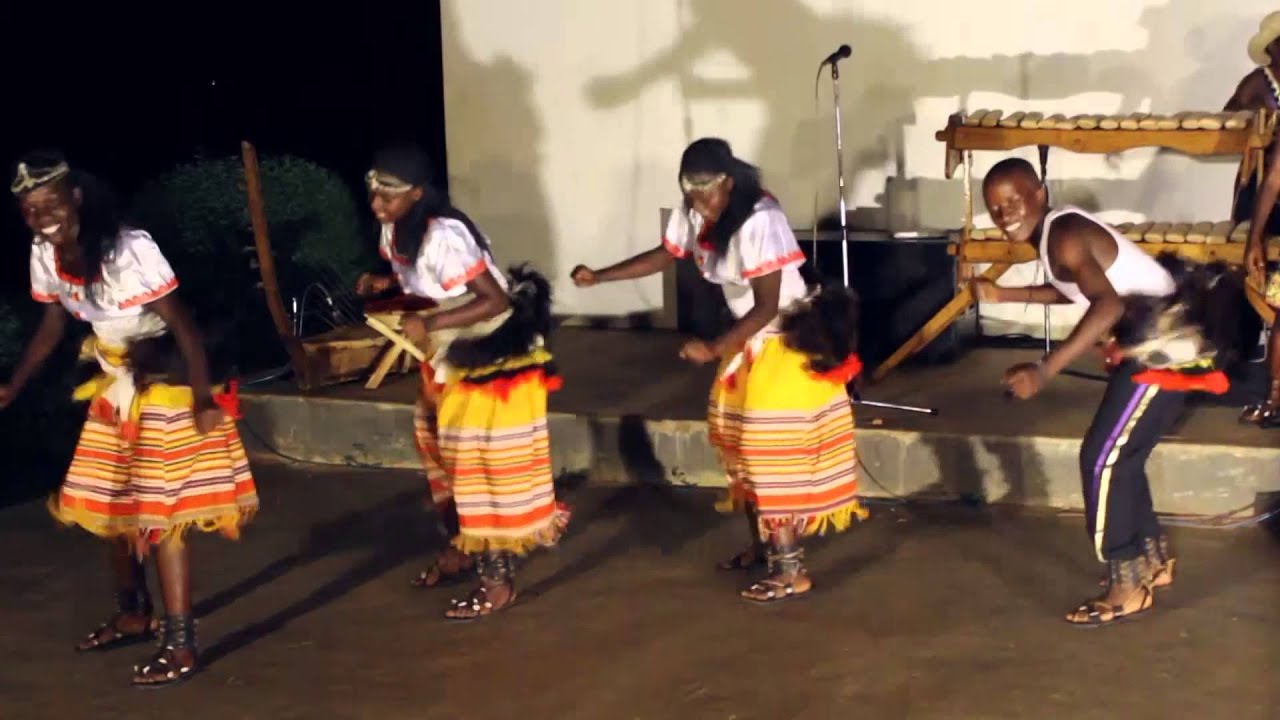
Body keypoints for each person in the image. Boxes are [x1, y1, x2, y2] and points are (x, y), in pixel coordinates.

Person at [571, 138, 865, 603]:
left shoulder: (760, 217)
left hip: (786, 338)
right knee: (733, 440)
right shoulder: (696, 211)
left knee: (768, 452)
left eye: (705, 191)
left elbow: (767, 305)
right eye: (689, 192)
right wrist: (600, 276)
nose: (697, 202)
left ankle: (792, 571)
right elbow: (668, 253)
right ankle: (763, 547)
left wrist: (713, 348)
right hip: (748, 340)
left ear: (728, 182)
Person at [1, 150, 257, 686]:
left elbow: (183, 326)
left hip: (164, 382)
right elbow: (53, 323)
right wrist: (14, 385)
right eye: (28, 207)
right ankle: (134, 613)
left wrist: (205, 400)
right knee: (107, 503)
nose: (40, 215)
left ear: (75, 197)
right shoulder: (44, 252)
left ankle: (181, 645)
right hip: (115, 378)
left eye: (49, 202)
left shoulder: (128, 248)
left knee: (160, 515)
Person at [973, 157, 1195, 626]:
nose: (1005, 213)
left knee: (1102, 457)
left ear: (1039, 193)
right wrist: (1005, 295)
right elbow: (1073, 289)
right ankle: (1151, 563)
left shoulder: (1064, 233)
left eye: (1014, 199)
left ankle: (1127, 585)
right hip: (1163, 338)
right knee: (1122, 453)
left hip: (1165, 343)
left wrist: (1044, 369)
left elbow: (1107, 304)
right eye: (995, 208)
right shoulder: (1054, 236)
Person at [355, 143, 567, 620]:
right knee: (437, 450)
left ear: (415, 194)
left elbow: (495, 300)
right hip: (450, 355)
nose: (376, 206)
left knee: (477, 467)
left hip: (491, 360)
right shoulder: (399, 229)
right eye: (374, 195)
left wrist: (427, 325)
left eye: (387, 197)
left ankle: (497, 583)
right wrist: (387, 284)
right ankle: (462, 546)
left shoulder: (443, 235)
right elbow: (430, 282)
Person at [1229, 11, 1280, 425]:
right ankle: (1248, 358)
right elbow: (1227, 119)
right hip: (1262, 193)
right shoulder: (1258, 84)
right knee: (1259, 284)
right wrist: (1257, 130)